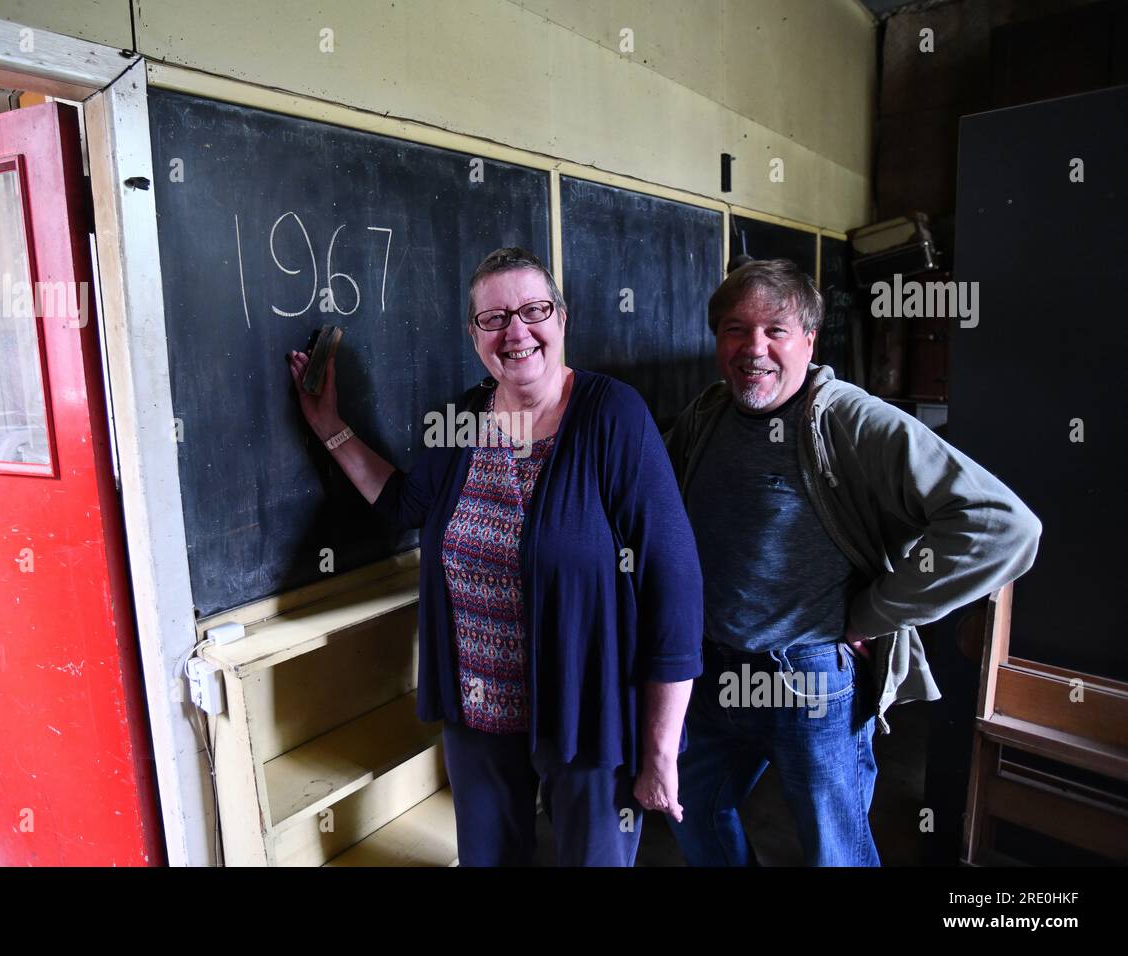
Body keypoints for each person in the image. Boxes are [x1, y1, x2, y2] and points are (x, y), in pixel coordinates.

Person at [286, 247, 702, 866]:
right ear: (475, 334)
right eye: (494, 318)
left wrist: (660, 751)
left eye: (534, 310)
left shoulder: (613, 415)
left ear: (561, 318)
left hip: (587, 717)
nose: (516, 332)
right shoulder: (460, 418)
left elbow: (674, 584)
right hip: (478, 719)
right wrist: (330, 427)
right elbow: (403, 503)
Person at [663, 258, 1041, 866]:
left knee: (832, 851)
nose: (752, 348)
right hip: (711, 671)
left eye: (775, 330)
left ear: (809, 339)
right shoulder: (707, 413)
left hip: (808, 676)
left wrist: (875, 612)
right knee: (691, 809)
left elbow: (1003, 526)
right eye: (735, 329)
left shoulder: (848, 419)